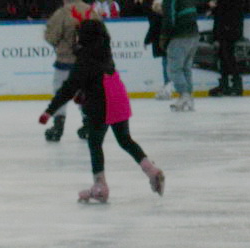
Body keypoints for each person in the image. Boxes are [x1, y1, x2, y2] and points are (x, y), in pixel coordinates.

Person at [39, 19, 165, 203]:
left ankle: (100, 186)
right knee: (125, 140)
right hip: (118, 95)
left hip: (101, 102)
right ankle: (152, 171)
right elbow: (90, 78)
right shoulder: (104, 50)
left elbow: (69, 87)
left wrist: (50, 111)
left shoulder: (85, 58)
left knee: (95, 143)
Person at [43, 0, 97, 142]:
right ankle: (88, 123)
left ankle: (58, 126)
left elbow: (51, 37)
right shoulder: (90, 11)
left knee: (60, 93)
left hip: (65, 61)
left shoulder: (62, 13)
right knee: (85, 93)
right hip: (87, 62)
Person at [161, 0, 199, 110]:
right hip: (193, 34)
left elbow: (169, 18)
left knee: (175, 69)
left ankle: (184, 95)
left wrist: (164, 37)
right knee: (186, 68)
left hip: (180, 36)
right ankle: (189, 98)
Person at [208, 0, 245, 96]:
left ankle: (236, 84)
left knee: (228, 56)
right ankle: (225, 84)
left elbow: (228, 9)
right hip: (225, 27)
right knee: (223, 56)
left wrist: (215, 8)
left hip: (229, 28)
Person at [143, 0, 173, 100]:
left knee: (166, 64)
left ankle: (167, 86)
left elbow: (152, 29)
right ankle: (167, 86)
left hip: (164, 44)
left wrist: (146, 41)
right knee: (166, 64)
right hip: (166, 43)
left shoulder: (157, 17)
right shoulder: (165, 16)